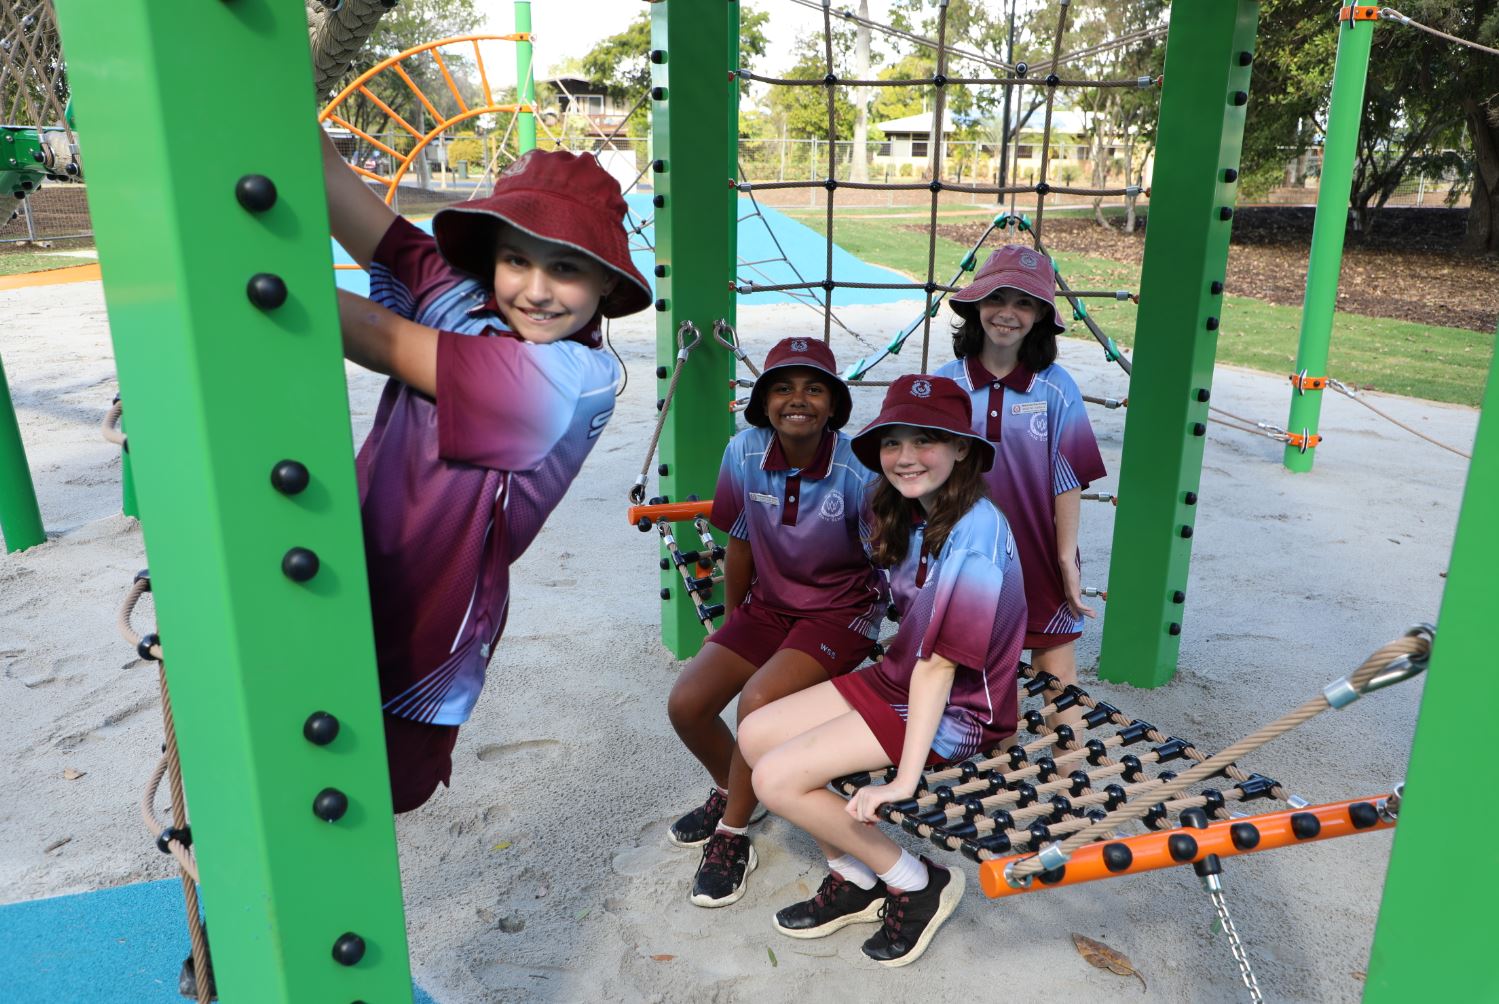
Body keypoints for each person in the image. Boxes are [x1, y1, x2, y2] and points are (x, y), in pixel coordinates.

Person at [320, 130, 652, 812]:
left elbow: (383, 340)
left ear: (606, 283)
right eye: (515, 260)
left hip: (424, 629)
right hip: (340, 575)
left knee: (368, 795)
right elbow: (333, 186)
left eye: (565, 269)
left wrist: (234, 280)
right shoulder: (468, 299)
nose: (534, 290)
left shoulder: (574, 379)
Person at [739, 374, 1027, 968]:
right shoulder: (907, 509)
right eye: (893, 443)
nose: (906, 457)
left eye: (927, 441)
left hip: (960, 708)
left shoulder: (976, 533)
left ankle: (919, 883)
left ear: (962, 449)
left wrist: (903, 781)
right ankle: (855, 875)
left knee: (776, 780)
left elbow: (941, 669)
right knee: (756, 732)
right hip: (902, 674)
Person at [666, 337, 888, 908]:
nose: (798, 399)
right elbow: (738, 545)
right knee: (687, 703)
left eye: (814, 388)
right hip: (769, 606)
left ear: (834, 406)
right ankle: (735, 786)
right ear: (763, 402)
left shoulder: (858, 470)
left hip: (842, 611)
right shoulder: (743, 452)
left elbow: (889, 561)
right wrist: (734, 623)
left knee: (759, 702)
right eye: (783, 388)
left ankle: (733, 833)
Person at [935, 244, 1106, 722]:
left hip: (1036, 549)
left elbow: (1067, 478)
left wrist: (1065, 558)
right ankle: (1003, 774)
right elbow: (921, 472)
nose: (1007, 314)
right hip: (969, 553)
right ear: (975, 305)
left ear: (1040, 317)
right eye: (996, 299)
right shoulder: (946, 384)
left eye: (1024, 303)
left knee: (1057, 673)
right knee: (989, 675)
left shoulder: (1056, 386)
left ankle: (1071, 784)